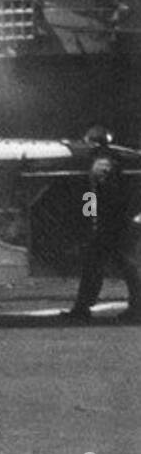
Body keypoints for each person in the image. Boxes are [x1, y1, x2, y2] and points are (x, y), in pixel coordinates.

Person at [63, 126, 140, 324]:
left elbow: (95, 197)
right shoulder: (120, 159)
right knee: (124, 266)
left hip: (111, 224)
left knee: (101, 266)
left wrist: (93, 221)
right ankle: (135, 307)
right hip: (119, 222)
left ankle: (83, 308)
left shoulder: (101, 164)